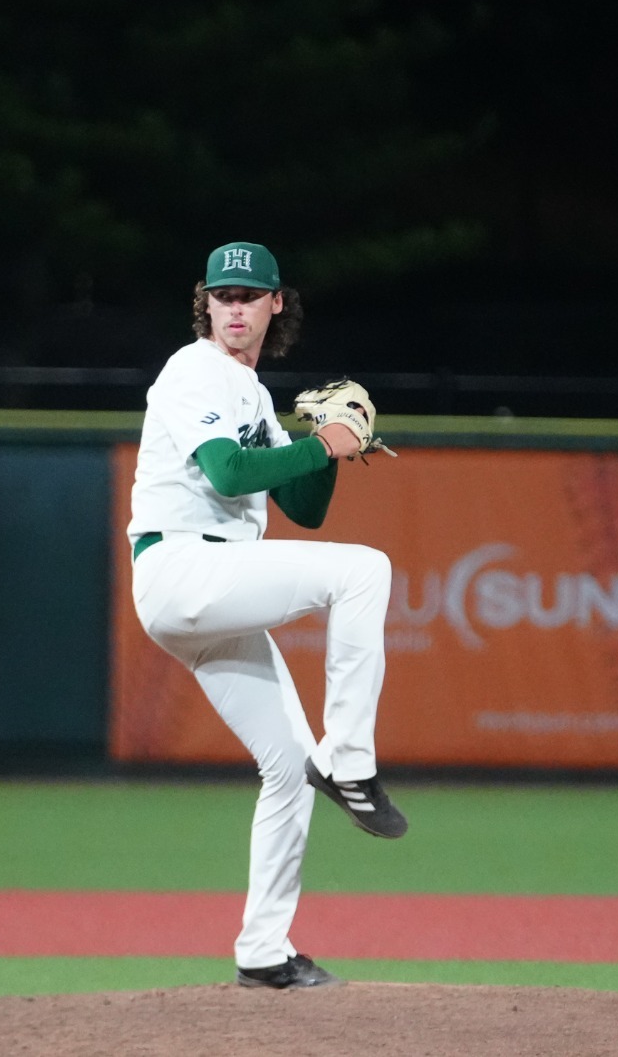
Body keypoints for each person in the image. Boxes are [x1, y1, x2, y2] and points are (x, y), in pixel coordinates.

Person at [125, 241, 406, 990]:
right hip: (182, 565)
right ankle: (351, 763)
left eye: (249, 297)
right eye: (223, 296)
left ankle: (264, 949)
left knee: (286, 767)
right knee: (365, 569)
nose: (236, 308)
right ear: (204, 303)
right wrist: (319, 441)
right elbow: (227, 471)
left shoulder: (251, 394)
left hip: (211, 586)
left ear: (276, 303)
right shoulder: (194, 370)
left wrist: (333, 452)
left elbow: (305, 512)